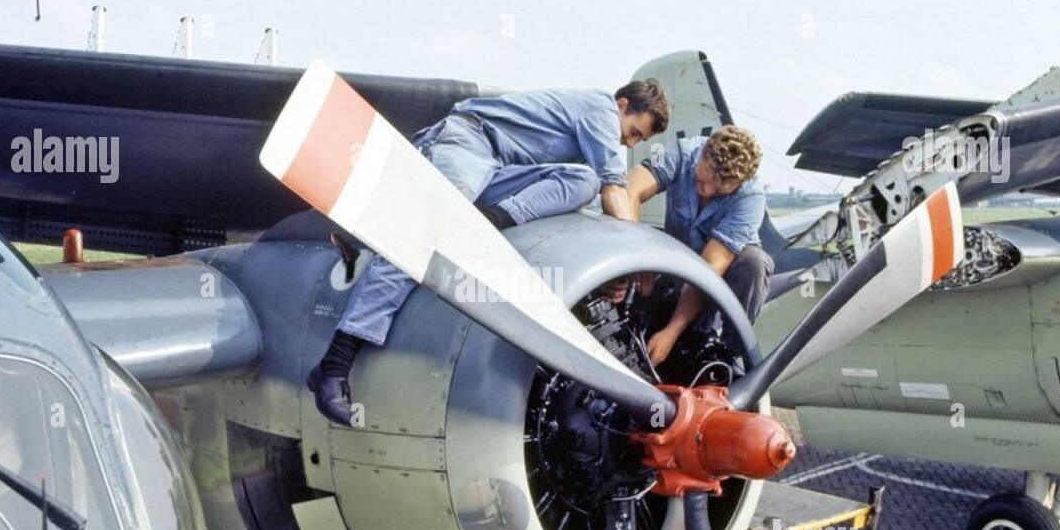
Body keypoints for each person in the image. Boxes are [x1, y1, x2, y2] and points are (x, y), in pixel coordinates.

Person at [307, 80, 671, 425]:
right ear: (623, 105)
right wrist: (636, 260)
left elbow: (595, 188)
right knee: (421, 239)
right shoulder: (602, 110)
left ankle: (484, 222)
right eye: (635, 132)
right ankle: (333, 366)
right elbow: (614, 188)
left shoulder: (592, 129)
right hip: (464, 144)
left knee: (582, 182)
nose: (627, 143)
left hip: (496, 168)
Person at [625, 124, 773, 368]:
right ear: (703, 151)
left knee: (753, 263)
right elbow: (631, 187)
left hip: (717, 277)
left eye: (719, 189)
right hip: (676, 262)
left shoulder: (750, 198)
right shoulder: (678, 153)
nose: (706, 190)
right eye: (703, 180)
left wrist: (671, 333)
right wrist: (640, 256)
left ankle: (727, 356)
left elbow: (707, 271)